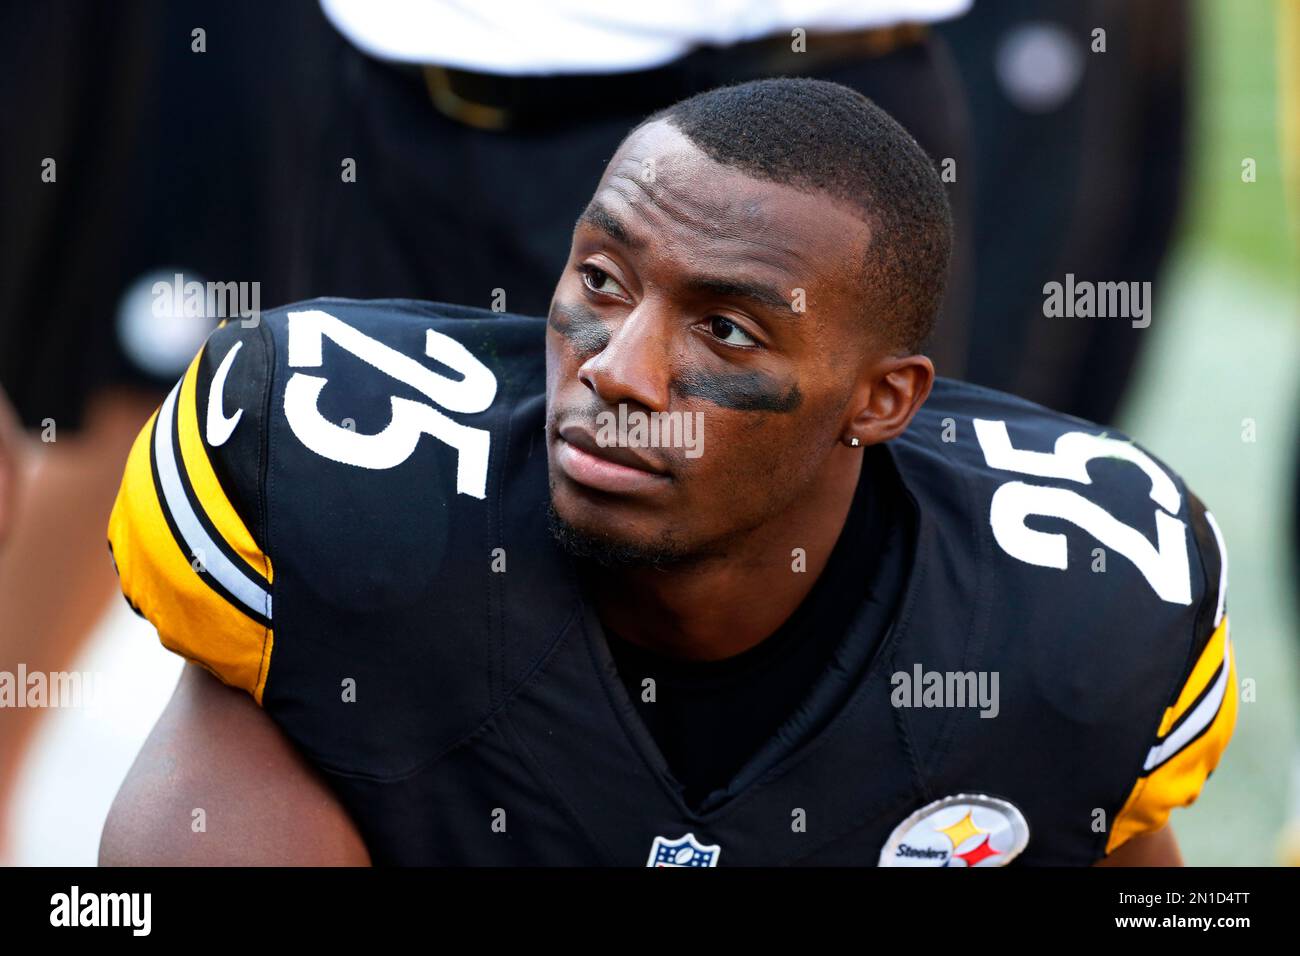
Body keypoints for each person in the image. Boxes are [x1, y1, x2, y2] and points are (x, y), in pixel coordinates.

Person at [100, 79, 1235, 867]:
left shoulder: (1073, 617)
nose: (618, 372)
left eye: (727, 332)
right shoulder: (339, 490)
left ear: (882, 400)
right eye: (601, 279)